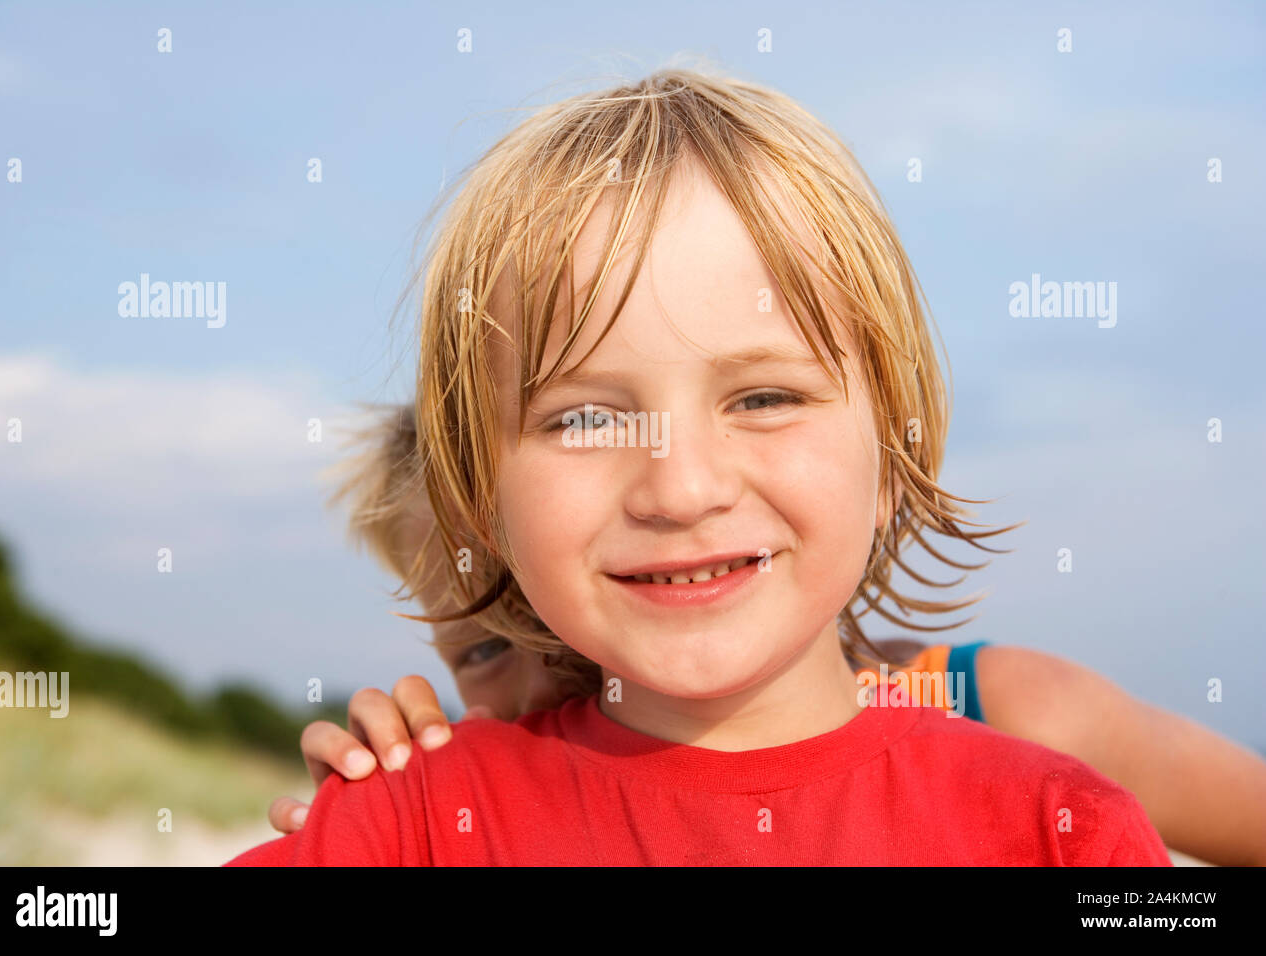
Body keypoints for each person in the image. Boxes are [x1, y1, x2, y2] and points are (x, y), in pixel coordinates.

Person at [229, 67, 1171, 865]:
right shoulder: (414, 829)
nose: (682, 490)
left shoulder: (1059, 833)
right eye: (587, 418)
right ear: (481, 500)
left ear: (894, 454)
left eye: (764, 399)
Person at [272, 404, 1266, 867]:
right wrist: (387, 807)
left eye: (534, 613)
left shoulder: (1009, 715)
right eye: (482, 647)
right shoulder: (472, 798)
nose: (545, 660)